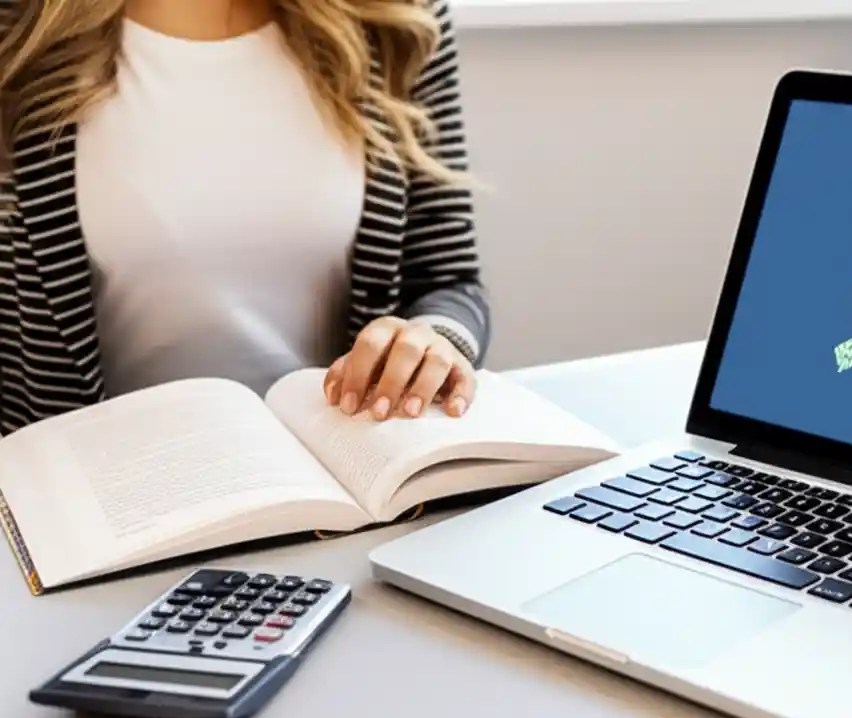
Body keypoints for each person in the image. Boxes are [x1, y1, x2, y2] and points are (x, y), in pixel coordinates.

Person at [0, 0, 490, 435]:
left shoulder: (398, 19)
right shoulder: (16, 31)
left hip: (328, 500)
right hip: (92, 511)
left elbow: (447, 278)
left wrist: (432, 342)